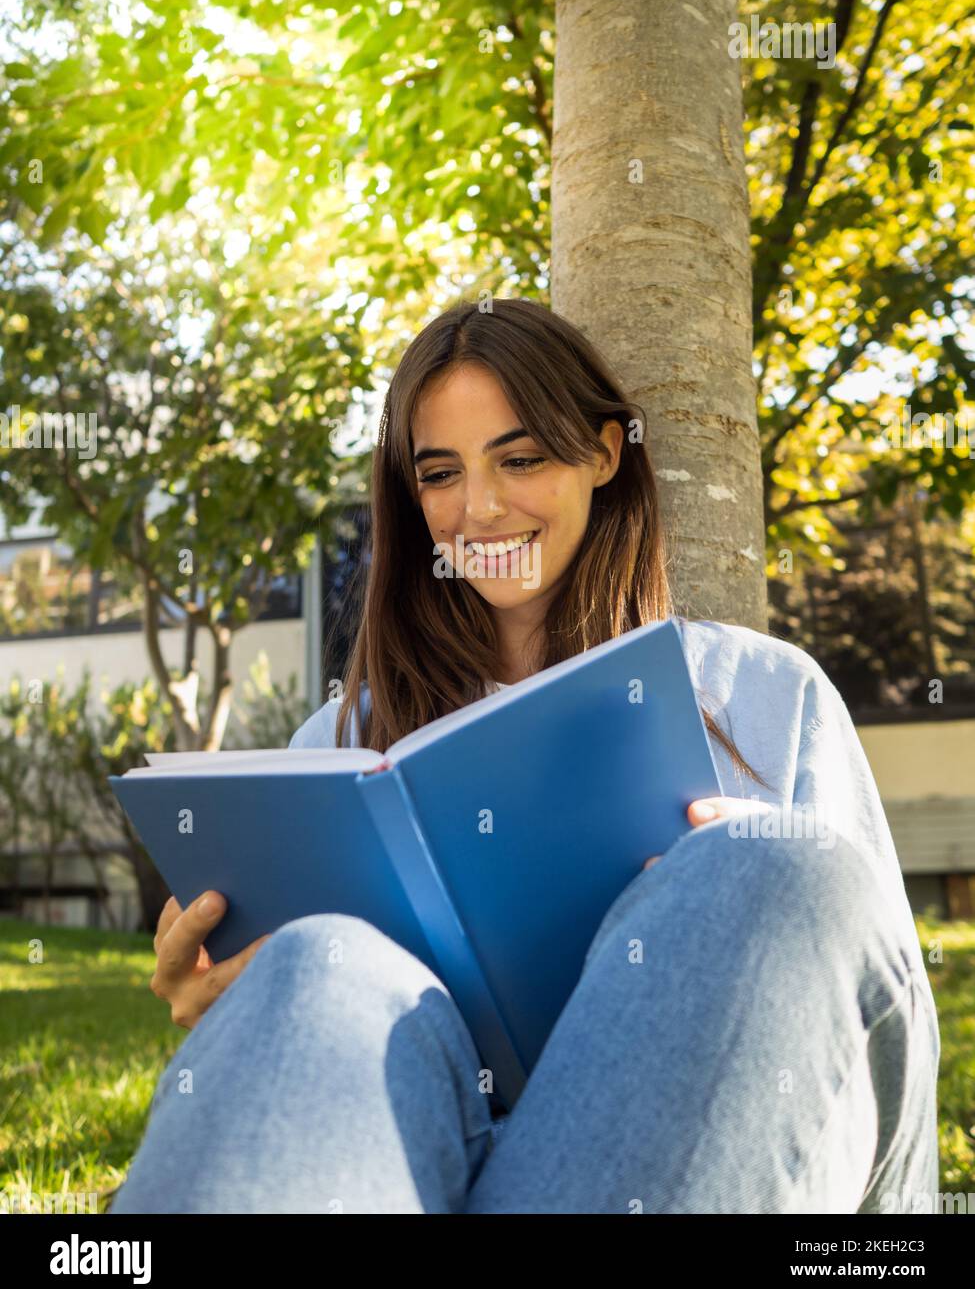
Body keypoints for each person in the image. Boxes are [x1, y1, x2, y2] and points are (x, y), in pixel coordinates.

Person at [110, 298, 940, 1214]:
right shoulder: (339, 743)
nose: (479, 509)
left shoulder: (766, 694)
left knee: (772, 868)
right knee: (316, 968)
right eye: (439, 474)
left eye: (521, 458)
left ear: (602, 453)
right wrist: (225, 996)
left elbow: (887, 1029)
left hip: (727, 1154)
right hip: (428, 1157)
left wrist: (744, 896)